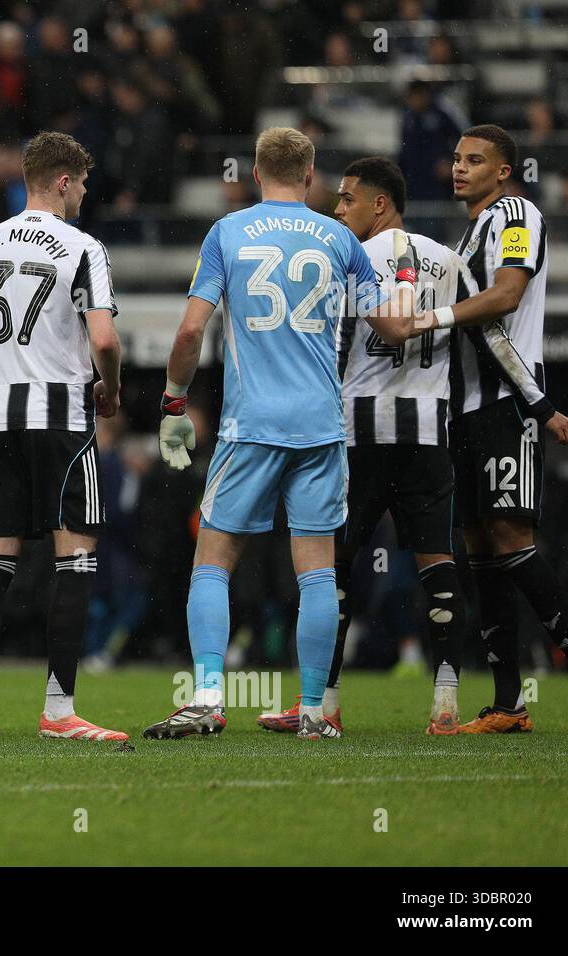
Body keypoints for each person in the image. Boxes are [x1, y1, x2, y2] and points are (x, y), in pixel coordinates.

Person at [144, 127, 416, 741]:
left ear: (256, 173)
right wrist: (402, 277)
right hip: (322, 426)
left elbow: (190, 333)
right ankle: (315, 712)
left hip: (251, 425)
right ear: (312, 173)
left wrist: (173, 403)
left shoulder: (227, 233)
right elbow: (394, 330)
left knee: (213, 563)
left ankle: (208, 700)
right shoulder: (342, 239)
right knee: (316, 571)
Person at [258, 156, 478, 736]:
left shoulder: (348, 256)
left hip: (359, 431)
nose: (337, 209)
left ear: (380, 204)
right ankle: (446, 704)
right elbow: (476, 341)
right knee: (437, 560)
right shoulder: (450, 260)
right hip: (429, 431)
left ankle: (323, 703)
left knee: (335, 567)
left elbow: (334, 347)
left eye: (348, 199)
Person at [0, 130, 127, 742]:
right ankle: (58, 711)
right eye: (80, 184)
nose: (83, 194)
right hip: (59, 419)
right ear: (62, 181)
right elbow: (103, 339)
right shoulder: (83, 248)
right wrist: (111, 388)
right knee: (74, 560)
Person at [411, 124, 568, 732]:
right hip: (469, 411)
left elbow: (507, 296)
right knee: (482, 549)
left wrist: (431, 315)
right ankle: (508, 701)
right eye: (457, 158)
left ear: (504, 171)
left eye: (475, 160)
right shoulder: (470, 231)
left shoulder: (515, 214)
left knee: (512, 540)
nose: (460, 168)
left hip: (509, 405)